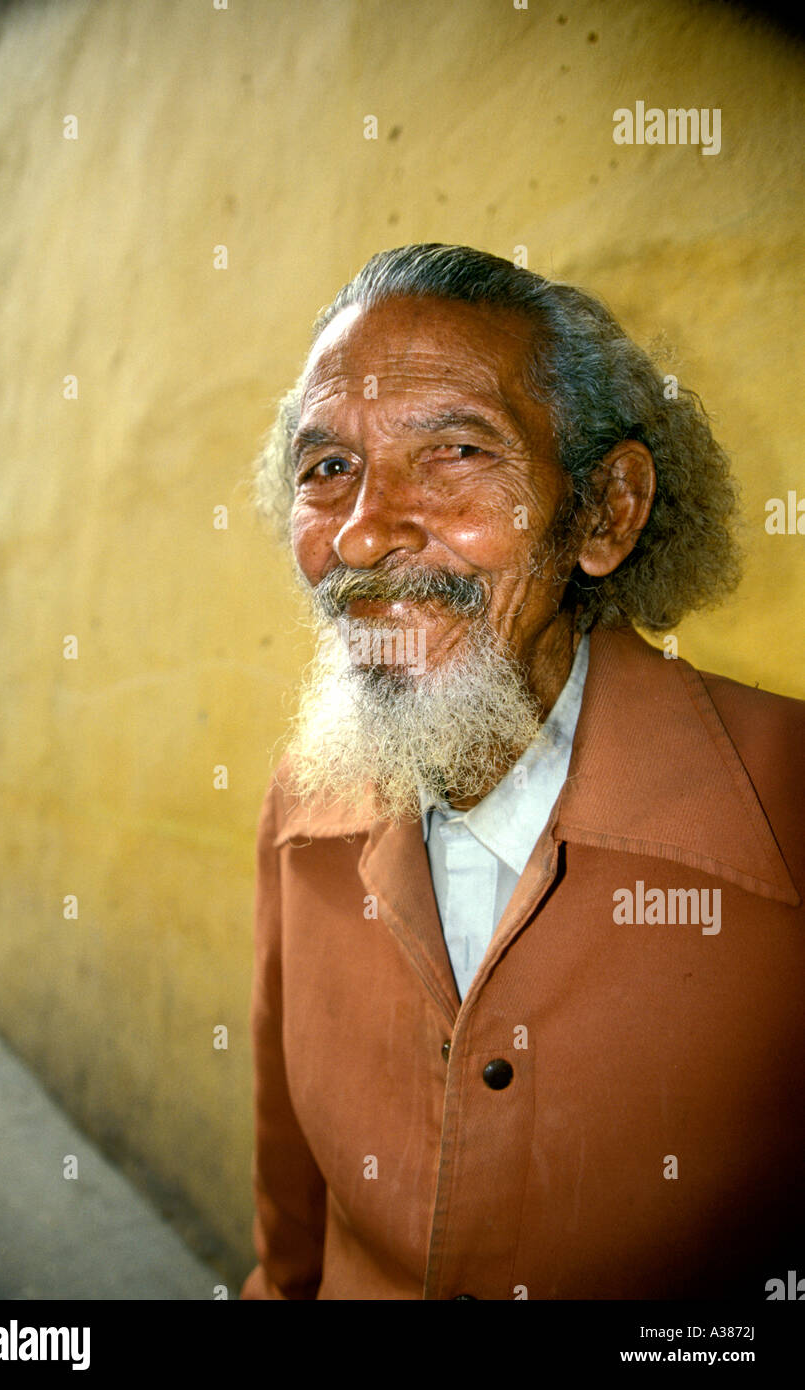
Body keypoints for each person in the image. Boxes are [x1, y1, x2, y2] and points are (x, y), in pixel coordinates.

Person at [241, 244, 805, 1300]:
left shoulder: (790, 801)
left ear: (602, 514)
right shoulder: (300, 805)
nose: (363, 532)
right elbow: (290, 1239)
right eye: (326, 469)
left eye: (455, 452)